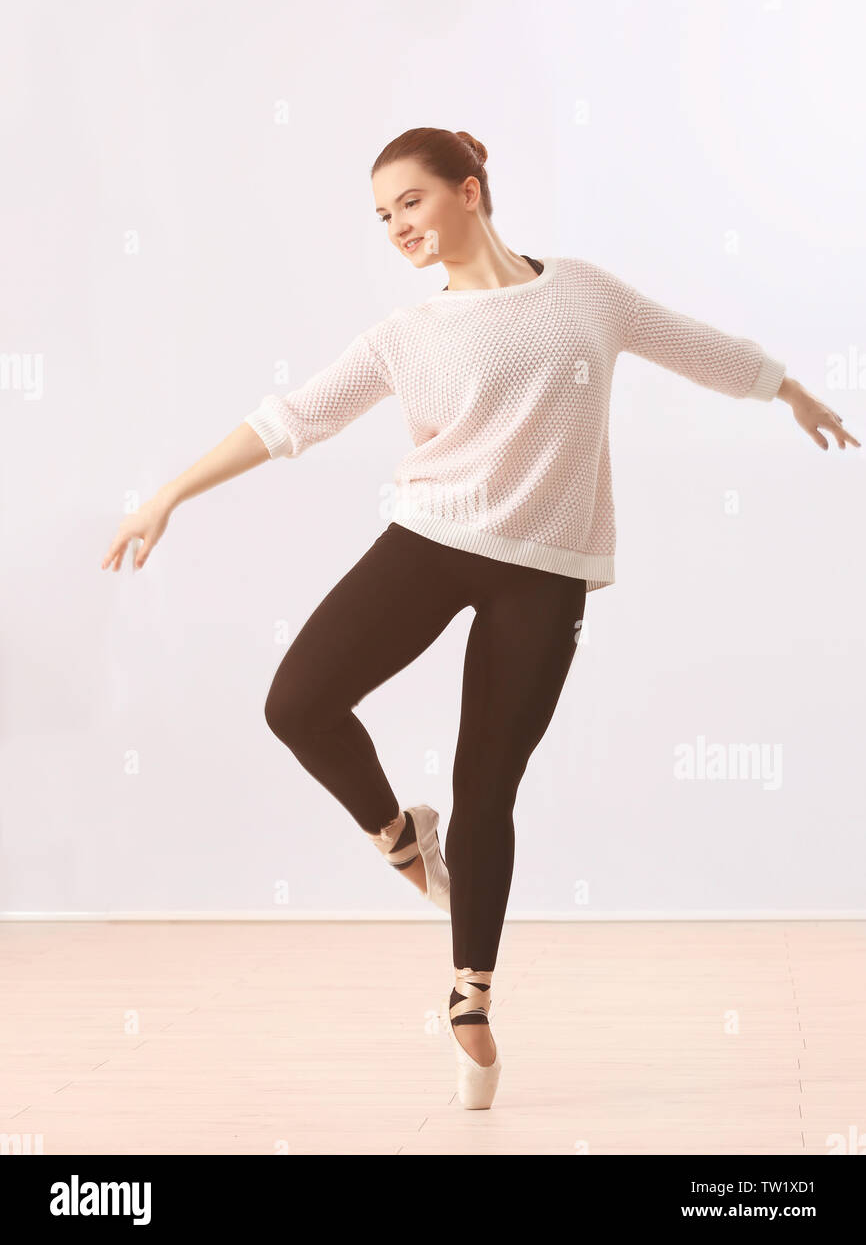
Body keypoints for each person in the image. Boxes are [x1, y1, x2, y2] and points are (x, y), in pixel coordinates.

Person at [101, 126, 860, 1111]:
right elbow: (291, 417)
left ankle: (470, 997)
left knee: (484, 786)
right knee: (298, 702)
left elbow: (688, 343)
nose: (395, 228)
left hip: (542, 571)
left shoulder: (583, 292)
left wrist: (786, 388)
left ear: (467, 190)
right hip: (431, 536)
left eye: (408, 203)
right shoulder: (406, 336)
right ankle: (399, 840)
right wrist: (168, 492)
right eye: (381, 217)